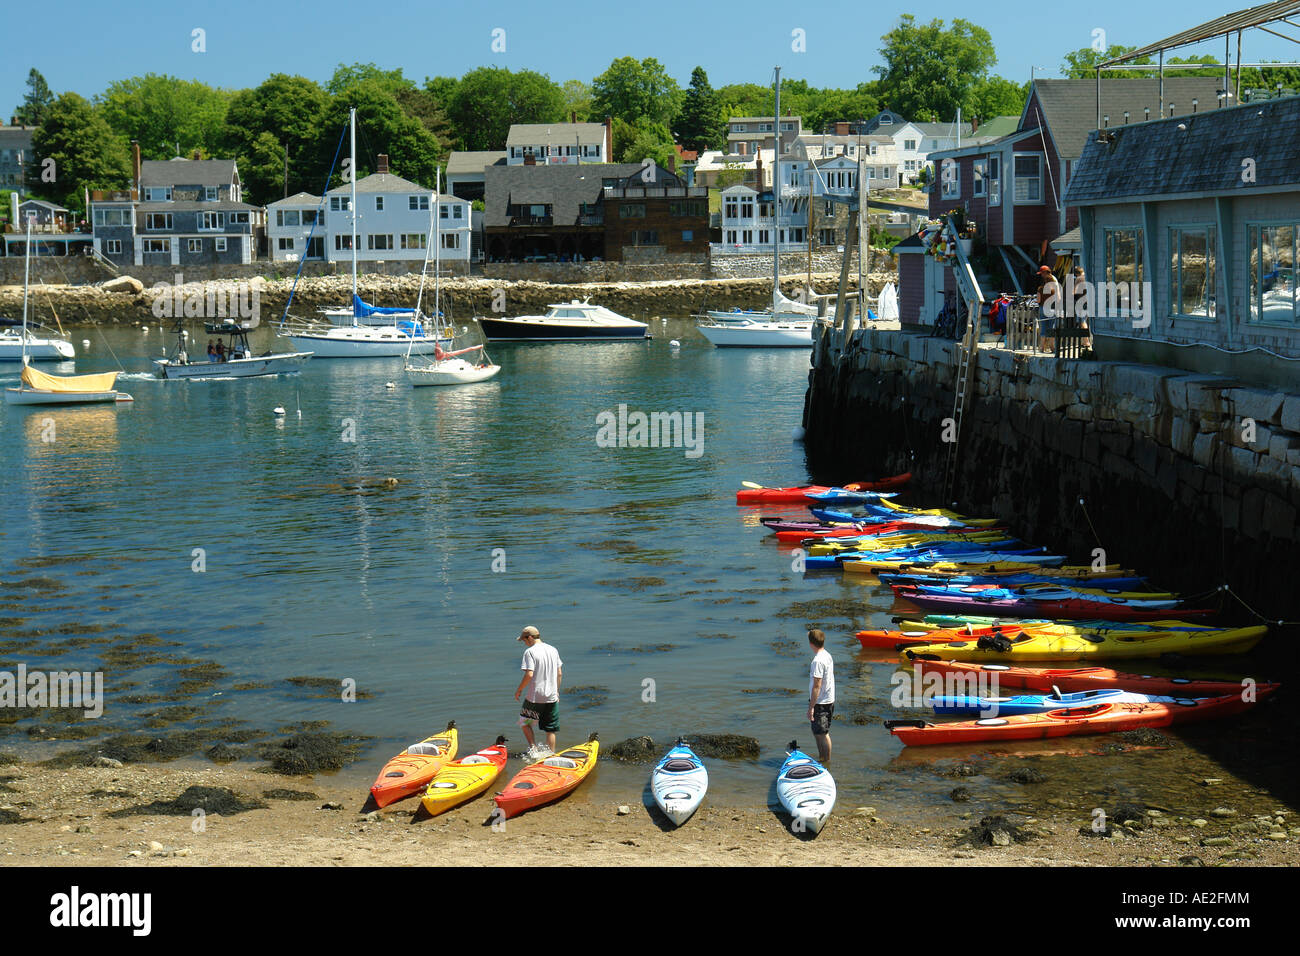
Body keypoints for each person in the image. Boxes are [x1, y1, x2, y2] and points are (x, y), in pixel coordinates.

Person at [513, 625, 563, 758]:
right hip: (551, 697)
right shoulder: (553, 649)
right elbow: (559, 673)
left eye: (524, 640)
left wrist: (519, 690)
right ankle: (551, 756)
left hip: (535, 697)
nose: (524, 643)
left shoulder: (530, 652)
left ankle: (534, 750)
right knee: (550, 730)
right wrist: (557, 692)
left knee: (525, 723)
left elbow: (529, 674)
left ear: (529, 638)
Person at [807, 629, 834, 762]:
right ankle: (822, 759)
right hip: (828, 699)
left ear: (811, 643)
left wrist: (811, 707)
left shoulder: (817, 661)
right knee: (818, 732)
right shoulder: (827, 655)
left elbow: (817, 686)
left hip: (821, 702)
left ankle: (826, 762)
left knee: (822, 733)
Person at [1037, 265, 1060, 353]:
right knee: (1051, 328)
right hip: (1052, 308)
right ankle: (1052, 348)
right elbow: (1058, 298)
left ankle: (1041, 348)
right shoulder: (1054, 288)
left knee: (1043, 328)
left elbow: (1038, 300)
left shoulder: (1040, 288)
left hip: (1043, 308)